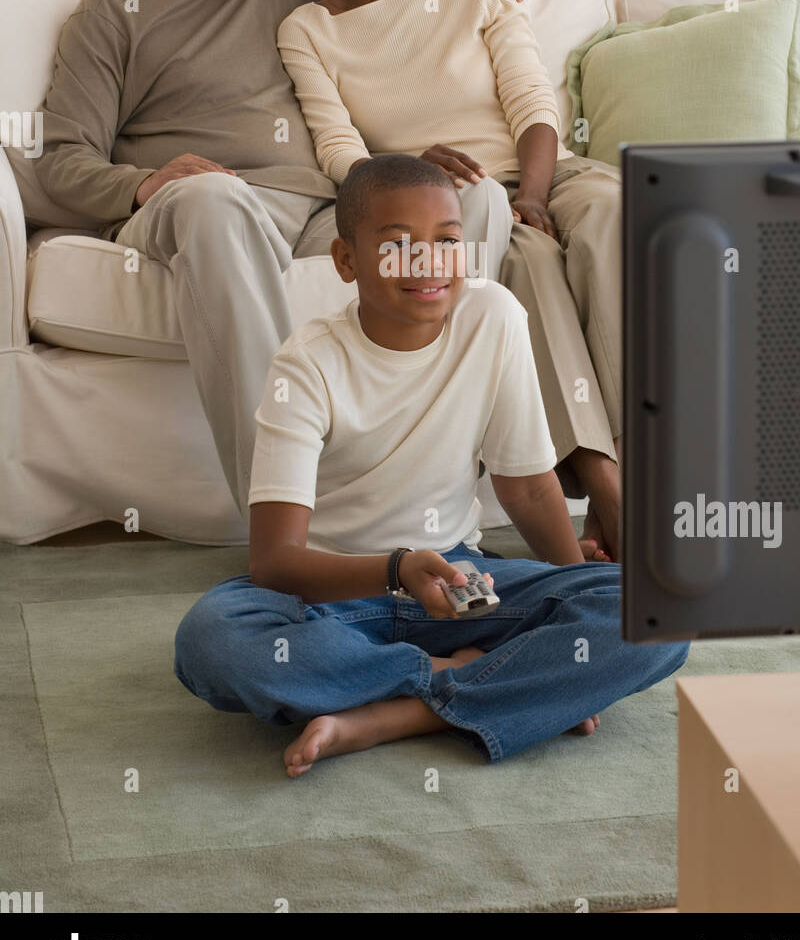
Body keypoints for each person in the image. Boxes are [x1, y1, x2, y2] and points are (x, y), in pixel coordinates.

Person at [26, 0, 530, 523]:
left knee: (468, 200)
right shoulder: (118, 11)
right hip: (195, 211)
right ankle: (286, 523)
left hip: (322, 205)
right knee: (213, 200)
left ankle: (434, 492)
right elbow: (58, 161)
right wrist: (146, 182)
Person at [173, 155, 689, 774]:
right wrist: (396, 569)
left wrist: (572, 585)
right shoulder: (307, 365)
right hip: (336, 600)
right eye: (396, 245)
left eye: (446, 241)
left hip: (463, 586)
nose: (428, 264)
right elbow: (274, 561)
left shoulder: (494, 317)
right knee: (213, 639)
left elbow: (525, 488)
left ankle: (395, 713)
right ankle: (478, 681)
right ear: (346, 261)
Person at [276, 0, 623, 558]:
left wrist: (533, 194)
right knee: (521, 260)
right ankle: (606, 494)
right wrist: (408, 168)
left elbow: (533, 103)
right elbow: (340, 148)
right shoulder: (309, 28)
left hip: (541, 171)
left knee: (616, 214)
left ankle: (629, 471)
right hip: (442, 200)